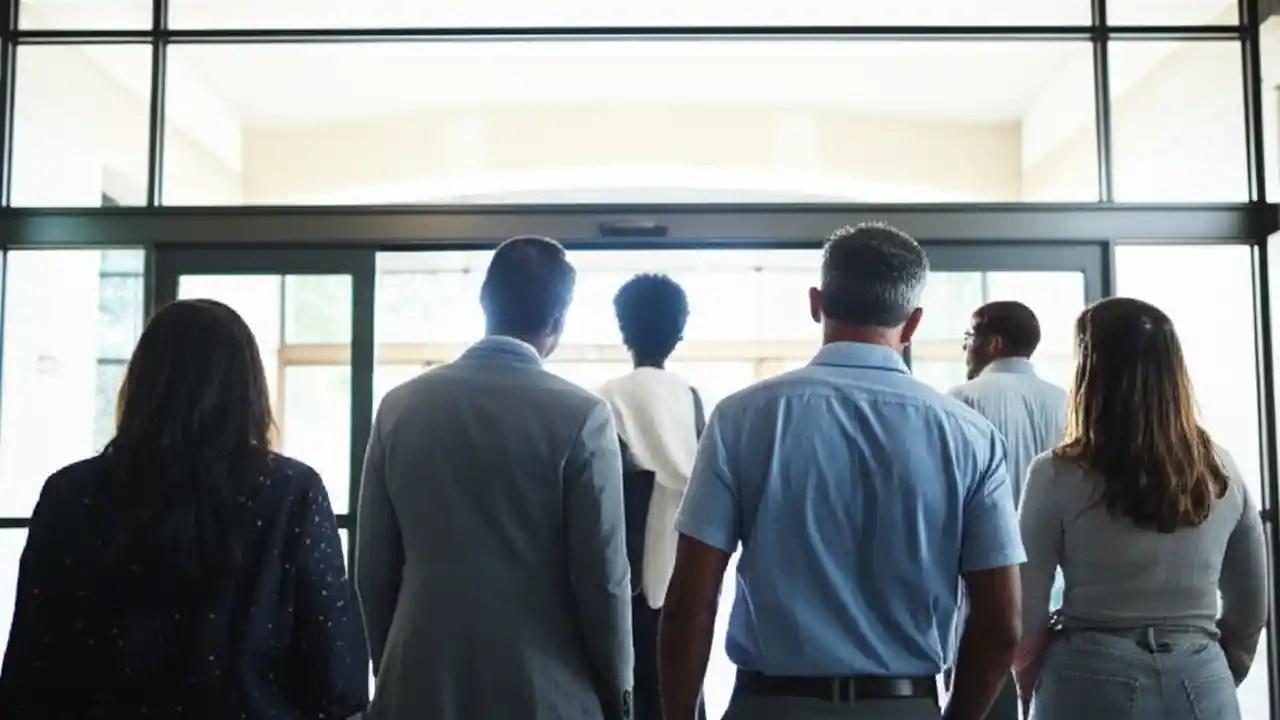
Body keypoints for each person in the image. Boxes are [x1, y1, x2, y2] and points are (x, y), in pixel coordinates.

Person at [660, 223, 1025, 720]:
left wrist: (681, 713)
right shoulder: (970, 437)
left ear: (816, 303)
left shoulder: (742, 418)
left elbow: (691, 599)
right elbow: (1001, 625)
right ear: (913, 323)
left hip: (769, 706)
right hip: (904, 705)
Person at [0, 299, 368, 719]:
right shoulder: (290, 493)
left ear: (141, 383)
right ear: (248, 388)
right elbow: (337, 679)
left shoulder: (70, 494)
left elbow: (29, 670)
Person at [357, 236, 633, 720]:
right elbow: (603, 578)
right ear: (557, 321)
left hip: (419, 681)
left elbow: (373, 567)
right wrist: (617, 691)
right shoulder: (582, 417)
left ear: (485, 302)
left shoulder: (400, 408)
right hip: (545, 689)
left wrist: (395, 665)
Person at [1016, 297, 1268, 720]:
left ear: (1090, 373)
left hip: (1089, 676)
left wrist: (1030, 684)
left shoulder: (1056, 473)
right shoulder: (1223, 468)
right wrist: (1213, 670)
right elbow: (1251, 609)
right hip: (1202, 675)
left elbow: (1024, 613)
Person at [947, 301, 1068, 720]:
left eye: (968, 338)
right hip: (1057, 594)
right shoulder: (1068, 403)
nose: (965, 348)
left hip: (983, 591)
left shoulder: (961, 401)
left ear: (992, 343)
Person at [598, 274, 706, 720]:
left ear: (623, 329)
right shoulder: (692, 400)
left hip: (621, 582)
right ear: (679, 333)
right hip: (684, 577)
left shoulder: (604, 400)